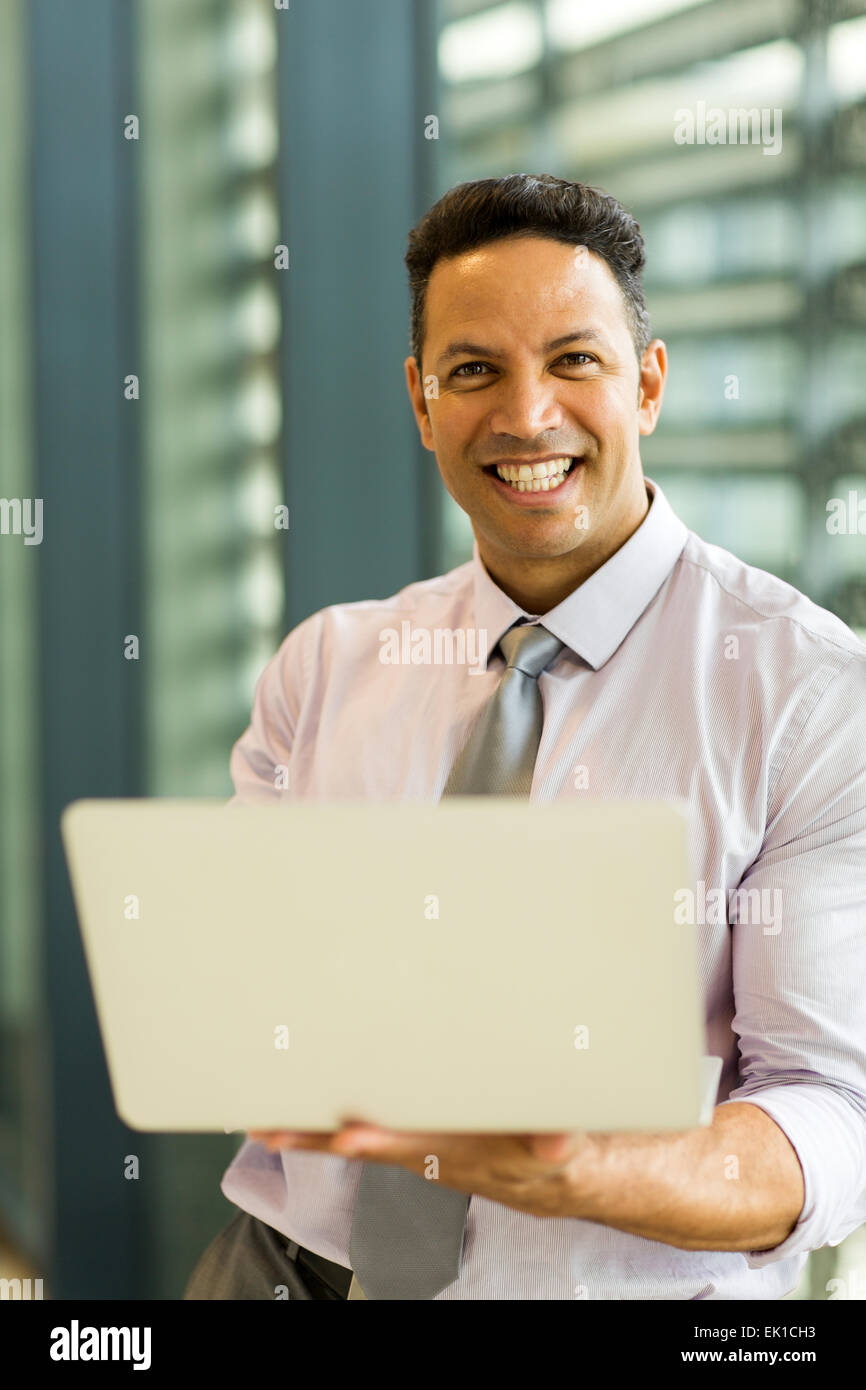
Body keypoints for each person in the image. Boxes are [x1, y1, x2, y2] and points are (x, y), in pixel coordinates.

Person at [184, 174, 866, 1300]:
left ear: (646, 382)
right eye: (473, 371)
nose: (525, 415)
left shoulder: (807, 695)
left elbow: (833, 1112)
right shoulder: (329, 666)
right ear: (419, 402)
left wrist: (584, 1168)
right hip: (274, 1273)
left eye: (572, 360)